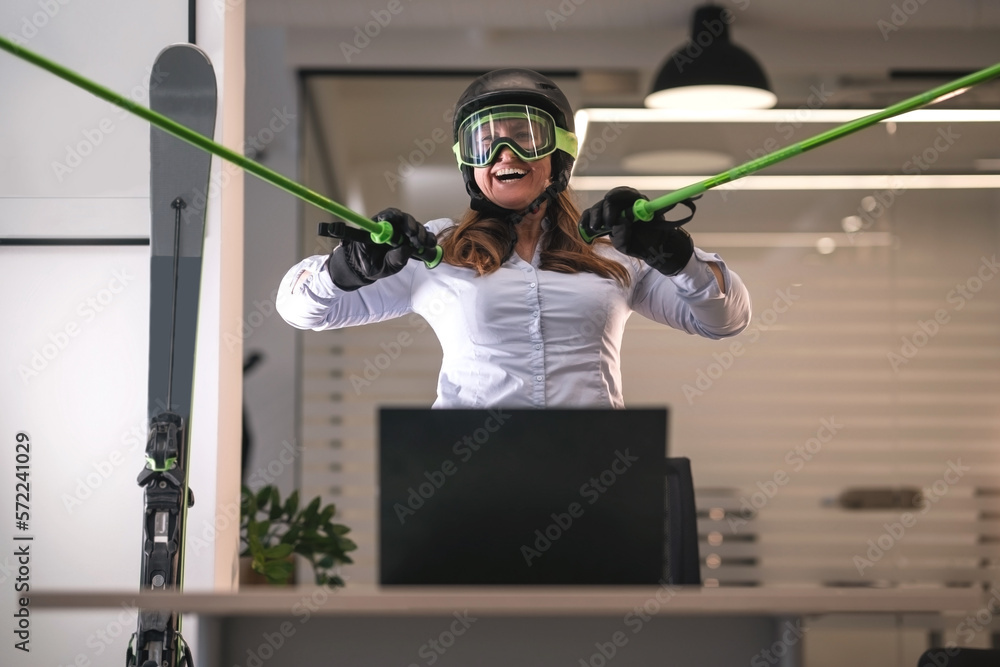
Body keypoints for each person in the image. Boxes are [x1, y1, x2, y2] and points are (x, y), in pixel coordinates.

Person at [276, 68, 751, 408]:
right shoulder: (434, 250)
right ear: (469, 164)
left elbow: (727, 320)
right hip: (466, 478)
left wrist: (674, 255)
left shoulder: (613, 250)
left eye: (525, 135)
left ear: (559, 153)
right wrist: (348, 268)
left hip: (595, 473)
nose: (505, 152)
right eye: (486, 141)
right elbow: (298, 311)